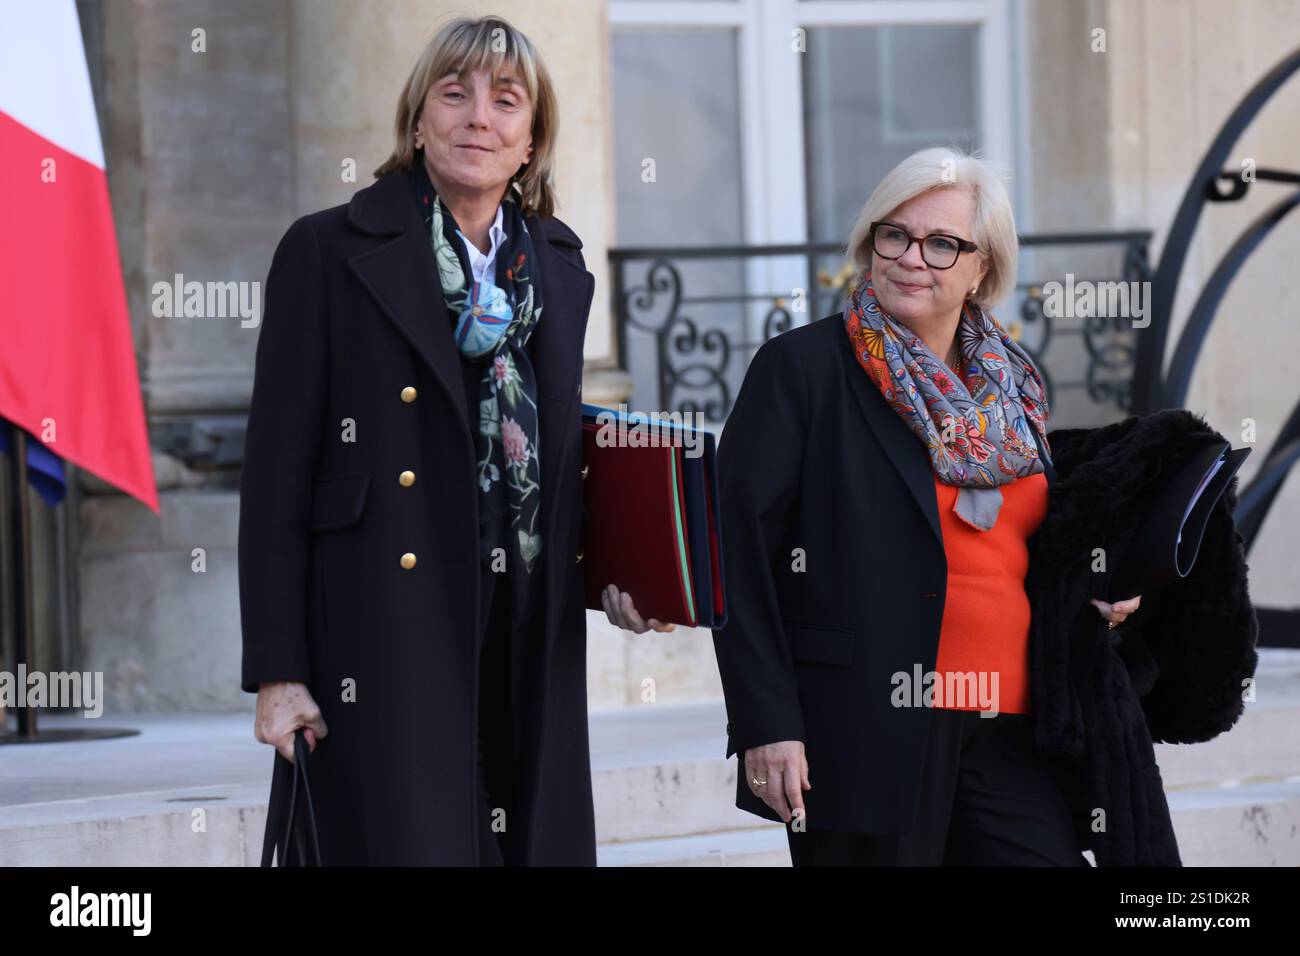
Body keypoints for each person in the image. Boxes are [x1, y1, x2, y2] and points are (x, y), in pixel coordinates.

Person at [240, 15, 666, 867]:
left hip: (525, 628)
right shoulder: (328, 251)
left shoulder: (557, 265)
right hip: (381, 633)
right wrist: (278, 673)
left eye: (505, 101)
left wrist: (623, 573)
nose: (480, 116)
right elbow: (277, 475)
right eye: (455, 92)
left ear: (531, 136)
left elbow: (561, 465)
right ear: (419, 118)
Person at [711, 145, 1143, 866]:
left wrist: (1095, 588)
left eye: (943, 243)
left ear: (982, 268)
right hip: (866, 729)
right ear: (869, 245)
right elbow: (736, 552)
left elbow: (1028, 545)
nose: (913, 257)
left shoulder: (1015, 388)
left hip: (1012, 721)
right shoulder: (804, 371)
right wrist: (765, 720)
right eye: (895, 235)